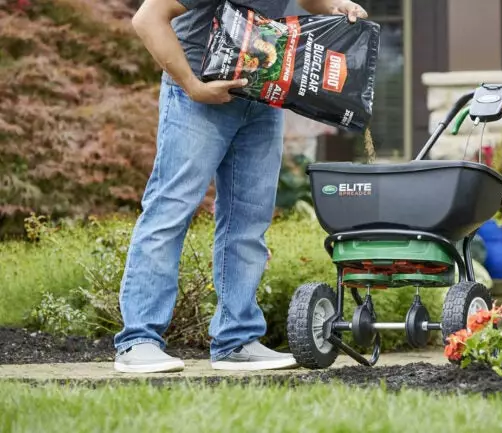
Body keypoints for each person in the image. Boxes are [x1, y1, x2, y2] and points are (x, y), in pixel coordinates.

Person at [113, 0, 368, 373]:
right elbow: (148, 19)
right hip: (197, 96)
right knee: (170, 213)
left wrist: (333, 5)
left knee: (248, 222)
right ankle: (138, 341)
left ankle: (237, 340)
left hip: (261, 96)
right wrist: (193, 86)